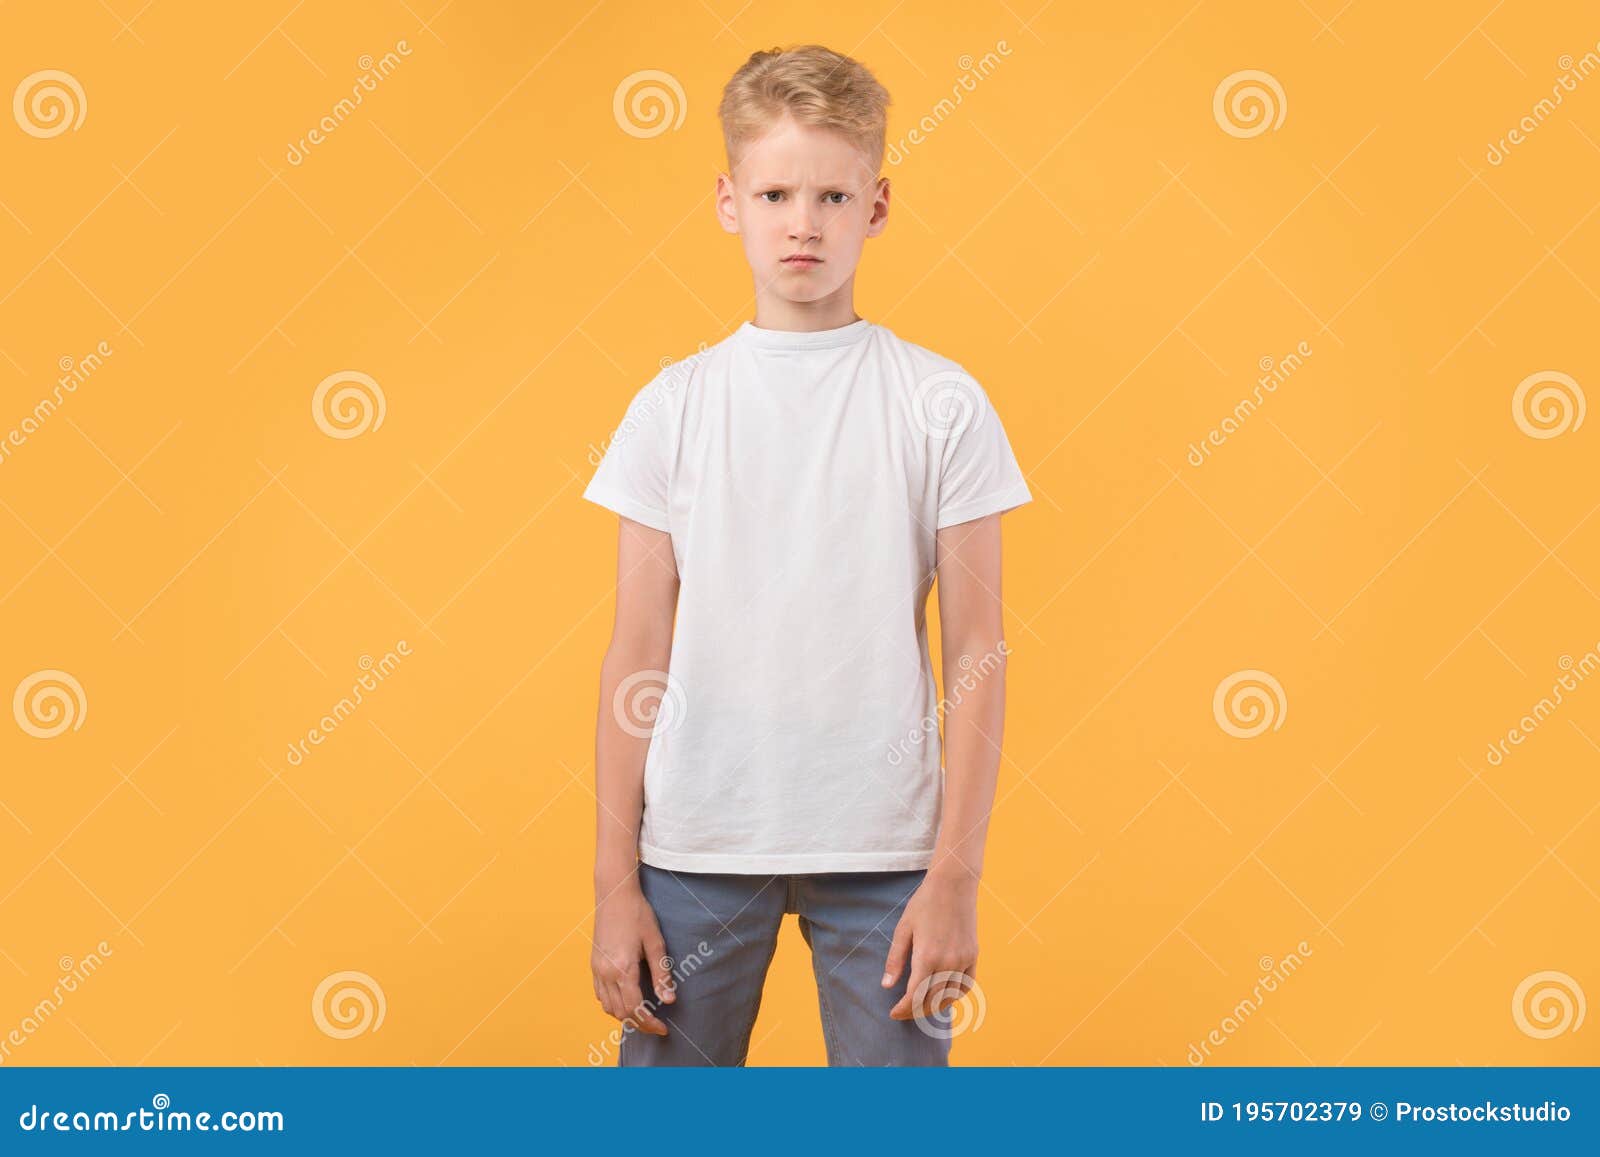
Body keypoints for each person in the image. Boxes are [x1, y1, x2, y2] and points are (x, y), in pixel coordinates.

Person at [582, 43, 1031, 1066]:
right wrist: (615, 882)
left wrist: (954, 873)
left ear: (875, 206)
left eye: (832, 194)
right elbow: (634, 655)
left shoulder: (940, 404)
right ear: (728, 201)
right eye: (776, 191)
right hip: (697, 838)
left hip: (888, 850)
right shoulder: (673, 407)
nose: (802, 221)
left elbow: (977, 650)